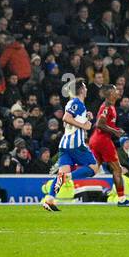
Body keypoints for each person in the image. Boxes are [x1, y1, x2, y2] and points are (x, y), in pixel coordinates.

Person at [41, 77, 98, 212]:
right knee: (94, 168)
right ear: (81, 90)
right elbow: (66, 118)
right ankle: (69, 177)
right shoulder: (76, 102)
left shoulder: (76, 104)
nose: (87, 88)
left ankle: (49, 199)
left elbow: (76, 122)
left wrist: (87, 118)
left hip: (65, 144)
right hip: (75, 144)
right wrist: (83, 125)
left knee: (62, 173)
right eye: (85, 86)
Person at [89, 84, 129, 207]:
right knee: (118, 169)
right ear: (110, 94)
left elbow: (103, 124)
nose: (118, 91)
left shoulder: (111, 106)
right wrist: (115, 132)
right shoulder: (107, 106)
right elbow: (99, 124)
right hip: (102, 140)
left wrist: (116, 129)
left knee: (92, 169)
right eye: (115, 90)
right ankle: (121, 200)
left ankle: (67, 175)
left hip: (96, 139)